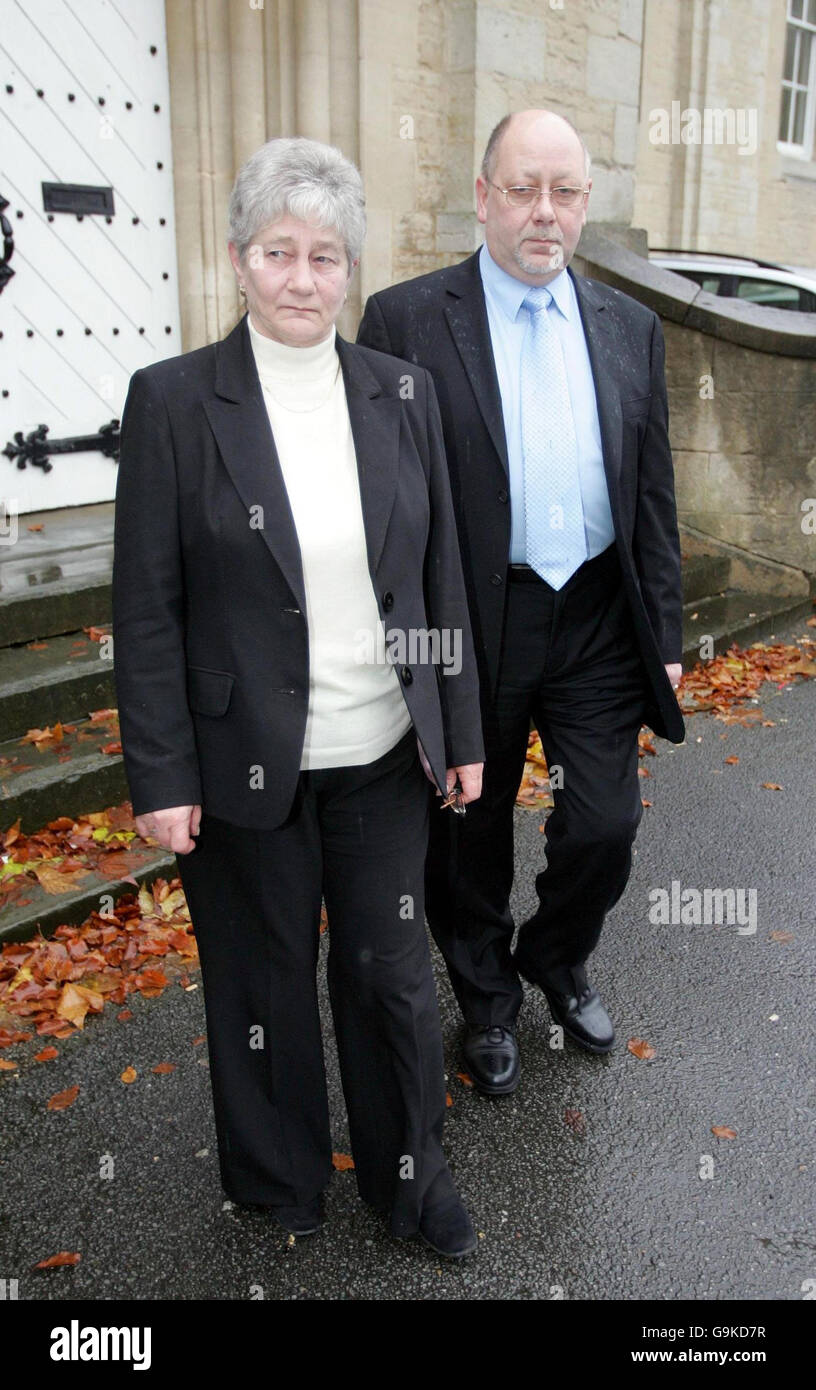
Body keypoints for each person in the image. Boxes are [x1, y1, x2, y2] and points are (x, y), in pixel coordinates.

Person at [112, 136, 485, 1257]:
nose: (302, 277)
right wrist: (162, 775)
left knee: (392, 980)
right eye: (280, 250)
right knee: (261, 982)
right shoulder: (174, 401)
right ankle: (281, 1184)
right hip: (242, 768)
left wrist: (457, 727)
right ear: (238, 258)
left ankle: (409, 1183)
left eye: (326, 256)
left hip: (380, 756)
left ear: (349, 271)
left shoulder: (400, 391)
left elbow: (438, 573)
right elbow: (148, 606)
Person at [357, 109, 685, 1095]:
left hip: (592, 617)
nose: (545, 212)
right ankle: (489, 1000)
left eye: (566, 192)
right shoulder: (406, 319)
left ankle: (556, 950)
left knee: (603, 824)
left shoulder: (632, 328)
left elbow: (653, 495)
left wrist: (662, 633)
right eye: (524, 188)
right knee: (469, 826)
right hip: (473, 618)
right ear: (483, 196)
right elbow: (389, 512)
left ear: (585, 202)